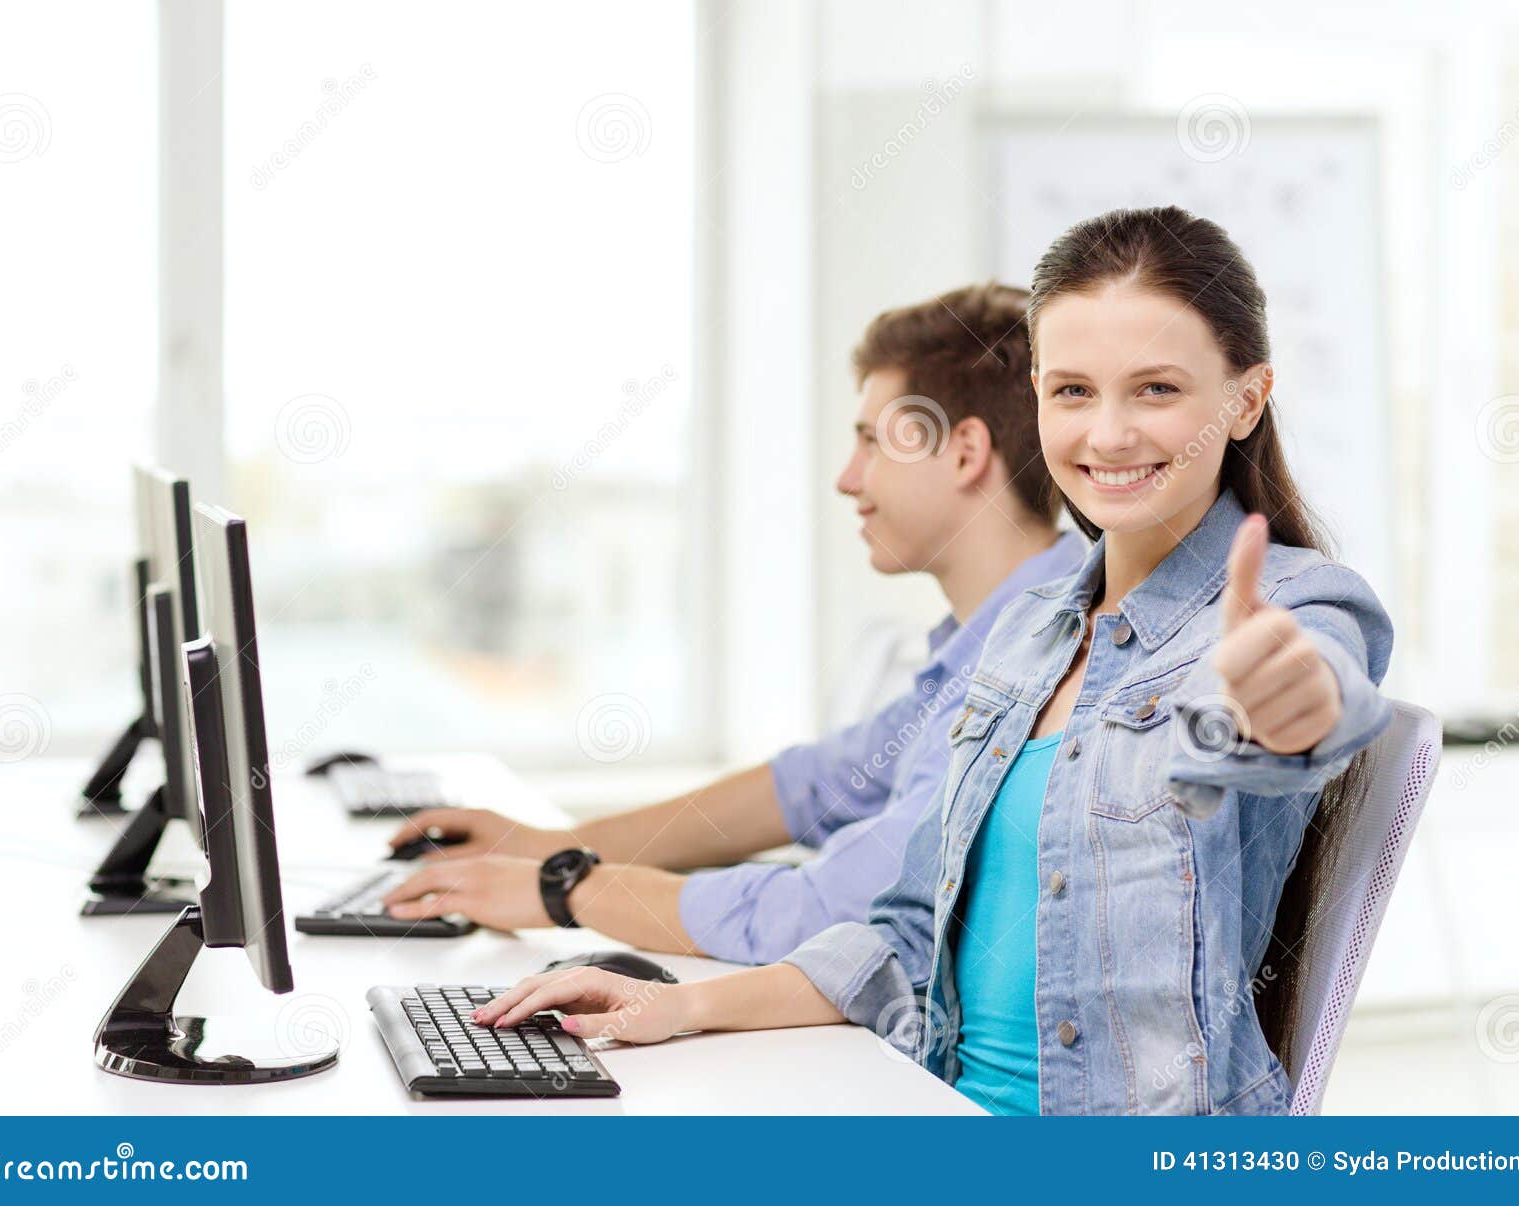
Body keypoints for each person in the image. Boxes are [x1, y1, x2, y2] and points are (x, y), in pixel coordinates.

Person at [467, 206, 1395, 1118]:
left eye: (1156, 390)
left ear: (1246, 398)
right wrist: (680, 1005)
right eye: (1072, 391)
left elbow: (1321, 707)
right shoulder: (1028, 631)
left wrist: (1289, 703)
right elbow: (905, 931)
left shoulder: (1295, 605)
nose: (1108, 434)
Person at [383, 283, 1087, 962]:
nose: (848, 478)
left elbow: (827, 911)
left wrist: (566, 889)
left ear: (964, 452)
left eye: (872, 441)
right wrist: (547, 845)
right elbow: (810, 785)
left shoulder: (1042, 660)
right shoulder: (985, 643)